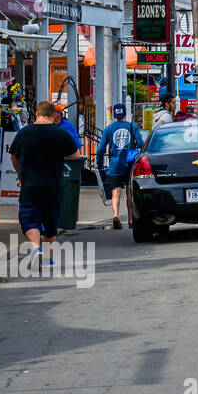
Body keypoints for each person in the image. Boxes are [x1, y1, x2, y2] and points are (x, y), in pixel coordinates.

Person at [9, 100, 80, 270]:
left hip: (30, 186)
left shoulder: (24, 133)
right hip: (53, 186)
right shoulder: (61, 133)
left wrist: (19, 174)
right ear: (53, 115)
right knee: (50, 224)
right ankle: (47, 259)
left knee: (29, 220)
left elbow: (13, 157)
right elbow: (76, 155)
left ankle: (35, 249)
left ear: (36, 114)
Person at [97, 103, 143, 231]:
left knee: (115, 193)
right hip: (129, 165)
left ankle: (116, 215)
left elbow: (100, 149)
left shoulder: (108, 129)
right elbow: (140, 143)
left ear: (114, 115)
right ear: (125, 113)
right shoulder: (132, 126)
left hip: (115, 166)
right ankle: (131, 220)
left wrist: (99, 163)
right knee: (129, 194)